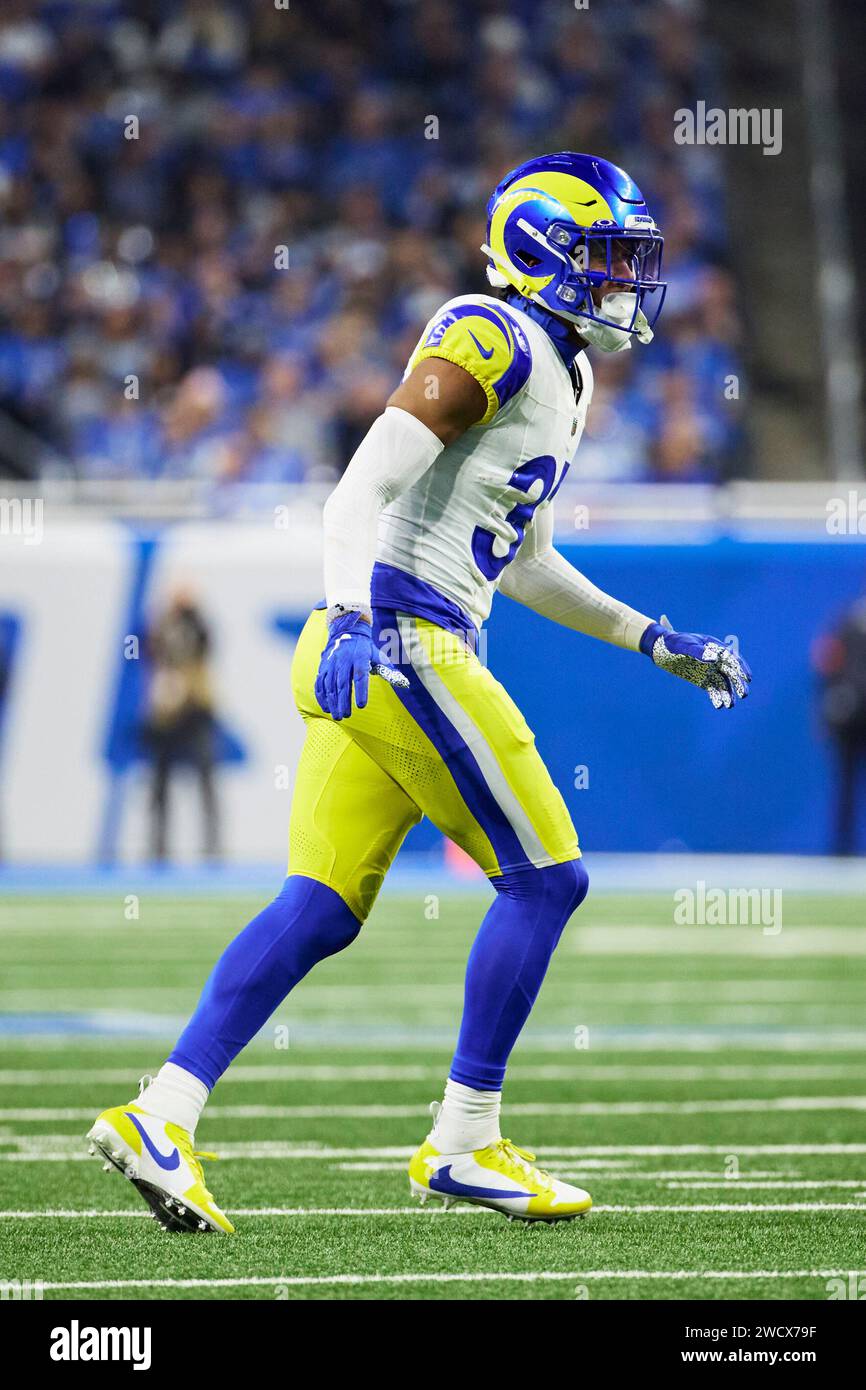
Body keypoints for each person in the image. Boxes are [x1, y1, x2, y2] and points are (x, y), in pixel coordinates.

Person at [88, 153, 751, 1233]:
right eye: (606, 257)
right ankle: (463, 1138)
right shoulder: (491, 334)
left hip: (382, 645)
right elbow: (358, 488)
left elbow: (523, 558)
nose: (626, 281)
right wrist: (355, 615)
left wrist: (649, 637)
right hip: (400, 642)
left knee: (316, 909)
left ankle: (163, 1112)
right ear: (539, 252)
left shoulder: (563, 369)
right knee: (546, 879)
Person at [141, 588, 220, 862]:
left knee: (206, 779)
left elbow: (203, 643)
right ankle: (158, 847)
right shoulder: (163, 628)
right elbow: (152, 651)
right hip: (167, 714)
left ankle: (212, 847)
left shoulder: (198, 626)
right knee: (160, 782)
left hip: (196, 710)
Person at [813, 595, 866, 855]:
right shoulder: (847, 624)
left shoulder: (847, 623)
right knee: (846, 784)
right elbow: (827, 665)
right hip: (849, 717)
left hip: (853, 711)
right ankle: (842, 847)